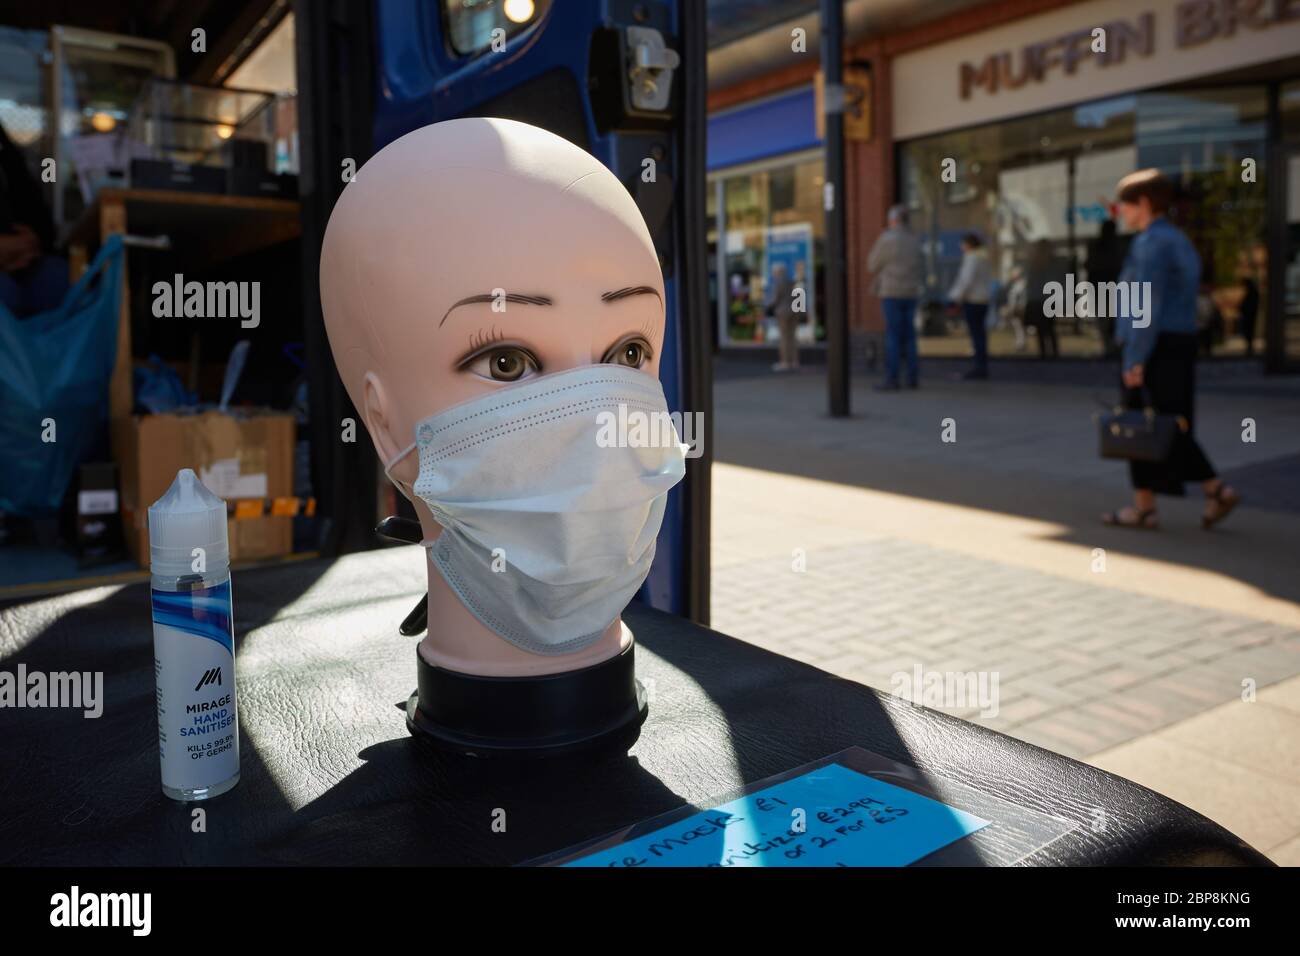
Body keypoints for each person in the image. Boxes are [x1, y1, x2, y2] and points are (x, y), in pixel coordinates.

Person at [1102, 168, 1239, 531]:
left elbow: (1145, 305)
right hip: (1177, 343)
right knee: (1165, 423)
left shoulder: (1151, 244)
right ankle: (1180, 498)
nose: (1121, 212)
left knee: (1144, 426)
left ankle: (1188, 497)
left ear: (1144, 203)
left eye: (1125, 205)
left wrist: (1135, 358)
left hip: (1153, 346)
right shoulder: (1178, 240)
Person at [0, 121, 67, 317]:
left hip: (25, 261)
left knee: (58, 278)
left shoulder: (6, 150)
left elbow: (39, 216)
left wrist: (32, 242)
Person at [867, 204, 923, 391]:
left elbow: (872, 264)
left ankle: (892, 378)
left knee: (893, 335)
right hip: (911, 292)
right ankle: (912, 377)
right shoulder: (914, 239)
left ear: (894, 220)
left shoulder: (887, 239)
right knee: (910, 336)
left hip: (891, 291)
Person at [948, 232, 993, 379]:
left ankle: (979, 367)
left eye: (963, 244)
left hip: (973, 300)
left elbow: (966, 280)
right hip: (983, 299)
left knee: (976, 335)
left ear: (969, 245)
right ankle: (982, 365)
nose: (961, 247)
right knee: (980, 334)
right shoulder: (984, 258)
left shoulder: (972, 258)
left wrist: (955, 298)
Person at [1085, 218, 1126, 358]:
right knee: (1109, 321)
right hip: (1106, 289)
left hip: (1106, 289)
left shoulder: (1108, 247)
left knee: (1107, 322)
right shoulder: (1112, 247)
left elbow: (1089, 265)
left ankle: (1110, 347)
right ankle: (1111, 348)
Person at [1024, 239, 1063, 359]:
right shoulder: (1053, 263)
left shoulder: (1034, 264)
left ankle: (1043, 353)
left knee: (1041, 329)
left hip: (1038, 299)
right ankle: (1053, 353)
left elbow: (1031, 284)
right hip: (1048, 299)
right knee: (1049, 327)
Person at [768, 262, 799, 372]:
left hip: (783, 312)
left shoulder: (778, 282)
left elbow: (776, 298)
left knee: (784, 338)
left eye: (774, 272)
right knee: (792, 337)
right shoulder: (791, 282)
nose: (773, 274)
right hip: (794, 311)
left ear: (778, 272)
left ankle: (785, 362)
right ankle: (794, 361)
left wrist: (768, 305)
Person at [1238, 275, 1259, 357]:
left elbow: (1249, 305)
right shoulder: (1251, 292)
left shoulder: (1252, 293)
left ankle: (1250, 346)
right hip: (1249, 315)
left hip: (1249, 315)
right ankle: (1249, 346)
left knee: (1249, 330)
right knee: (1248, 331)